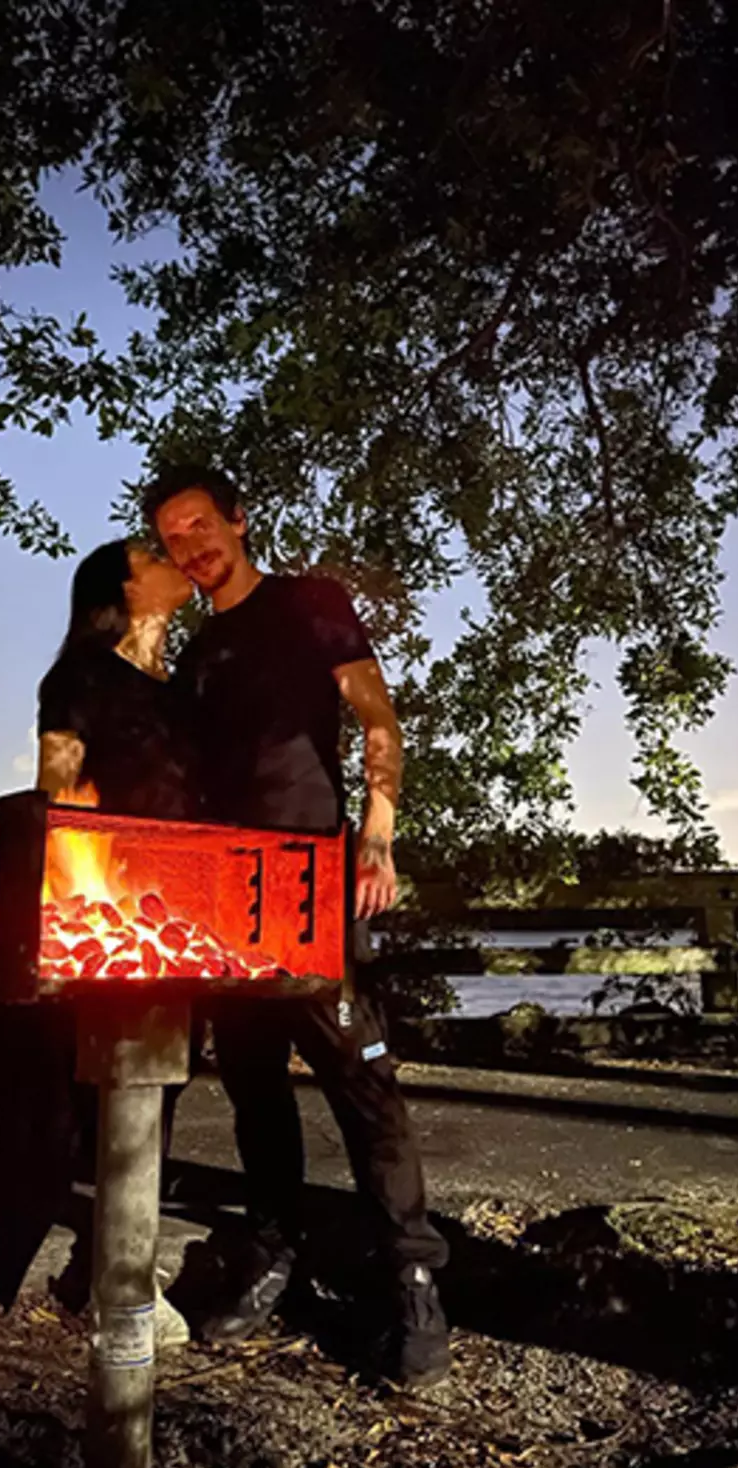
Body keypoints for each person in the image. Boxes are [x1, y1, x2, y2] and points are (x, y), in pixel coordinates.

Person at [142, 464, 452, 1390]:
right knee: (251, 1090)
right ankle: (273, 1253)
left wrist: (378, 837)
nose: (190, 544)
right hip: (222, 900)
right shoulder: (197, 658)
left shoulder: (313, 602)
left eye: (201, 522)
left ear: (239, 521)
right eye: (172, 535)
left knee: (365, 1088)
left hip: (312, 884)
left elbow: (377, 717)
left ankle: (415, 1284)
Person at [0, 540, 197, 1357]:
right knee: (25, 1083)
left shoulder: (189, 687)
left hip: (175, 920)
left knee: (148, 1103)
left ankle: (119, 1274)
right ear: (121, 590)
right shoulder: (77, 679)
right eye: (153, 555)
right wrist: (80, 913)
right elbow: (60, 795)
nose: (174, 560)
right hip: (88, 913)